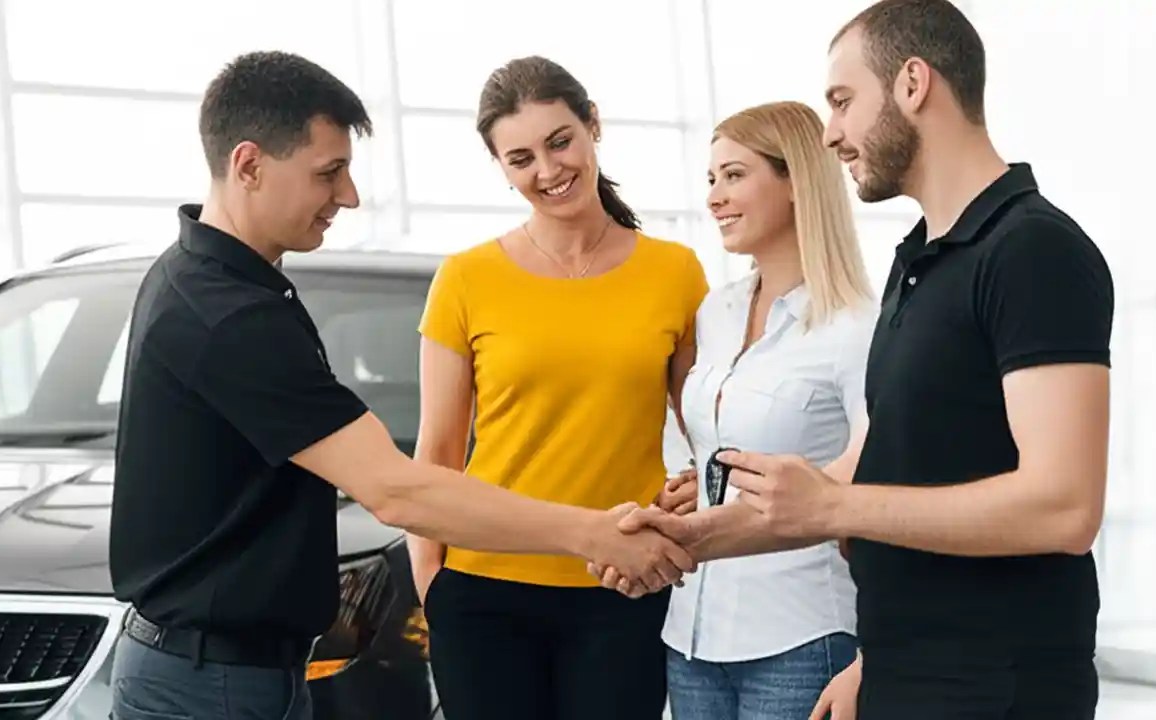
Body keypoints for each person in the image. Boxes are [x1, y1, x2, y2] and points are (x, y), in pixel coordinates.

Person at [107, 51, 695, 720]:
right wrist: (589, 534)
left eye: (560, 141)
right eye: (328, 173)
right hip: (214, 679)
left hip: (234, 670)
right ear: (248, 165)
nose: (349, 196)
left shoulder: (214, 282)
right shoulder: (227, 314)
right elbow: (395, 486)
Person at [603, 1, 1115, 718]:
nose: (832, 133)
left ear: (913, 83)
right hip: (907, 673)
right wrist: (688, 539)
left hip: (997, 687)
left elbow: (1064, 507)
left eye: (843, 101)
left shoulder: (1033, 251)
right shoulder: (918, 265)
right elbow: (852, 474)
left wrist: (836, 506)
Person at [404, 55, 709, 720]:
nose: (547, 171)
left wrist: (695, 487)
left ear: (593, 125)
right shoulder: (465, 278)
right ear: (502, 168)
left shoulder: (675, 273)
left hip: (621, 588)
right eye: (520, 158)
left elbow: (709, 429)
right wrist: (435, 588)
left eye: (559, 141)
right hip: (482, 594)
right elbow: (438, 454)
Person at [652, 100, 875, 720]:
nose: (715, 197)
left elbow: (881, 485)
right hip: (691, 636)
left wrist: (873, 654)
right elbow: (722, 443)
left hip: (801, 637)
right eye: (711, 179)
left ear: (796, 181)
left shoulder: (856, 326)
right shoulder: (715, 312)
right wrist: (698, 487)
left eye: (735, 175)